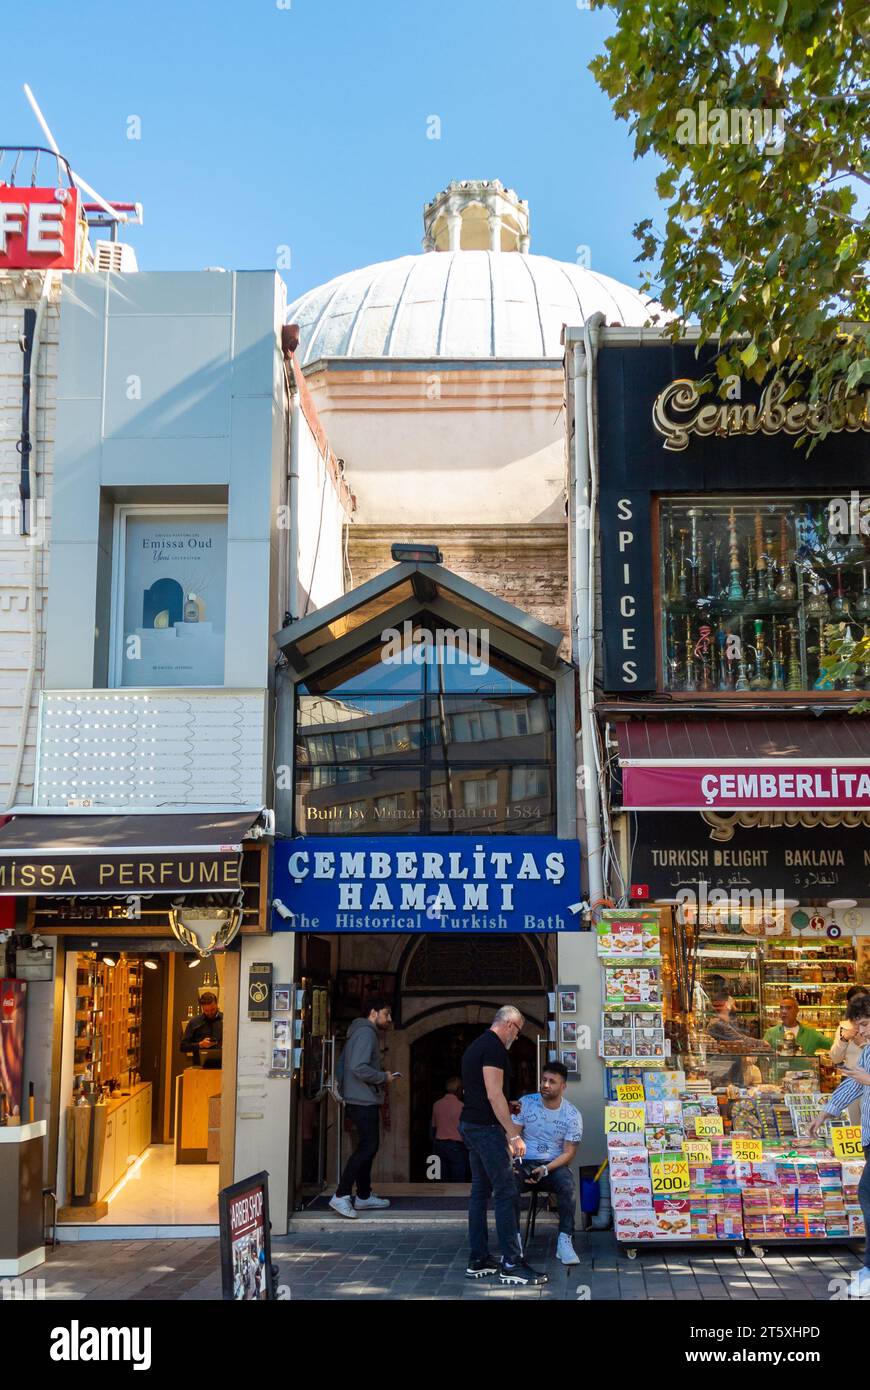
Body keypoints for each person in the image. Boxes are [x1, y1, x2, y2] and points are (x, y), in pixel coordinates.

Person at [460, 1005, 548, 1287]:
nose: (517, 1037)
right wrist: (512, 1133)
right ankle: (511, 1263)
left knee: (480, 1192)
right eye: (519, 1031)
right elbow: (493, 1092)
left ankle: (479, 1259)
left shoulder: (476, 1046)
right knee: (507, 1192)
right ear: (509, 1025)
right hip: (485, 1130)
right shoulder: (495, 1048)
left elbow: (478, 1092)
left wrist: (506, 1107)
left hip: (471, 1124)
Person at [808, 993, 870, 1298]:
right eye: (859, 1026)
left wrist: (866, 1079)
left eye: (865, 1024)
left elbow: (862, 1080)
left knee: (867, 1195)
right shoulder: (868, 1050)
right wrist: (824, 1114)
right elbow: (854, 1084)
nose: (861, 1031)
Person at [329, 997, 397, 1219]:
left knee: (367, 1147)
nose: (389, 1019)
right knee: (368, 1147)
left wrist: (347, 1088)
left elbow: (342, 1065)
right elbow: (358, 1066)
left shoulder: (356, 1032)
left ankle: (364, 1196)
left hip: (358, 1097)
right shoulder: (367, 1033)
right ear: (373, 1012)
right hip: (363, 1100)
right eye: (386, 1014)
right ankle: (341, 1195)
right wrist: (382, 1077)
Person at [512, 1061, 583, 1265]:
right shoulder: (525, 1103)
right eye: (544, 1080)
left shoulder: (572, 1115)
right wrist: (516, 1163)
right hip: (524, 1161)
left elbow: (569, 1153)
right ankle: (513, 1240)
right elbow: (512, 1138)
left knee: (567, 1185)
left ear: (563, 1086)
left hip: (553, 1164)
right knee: (508, 1184)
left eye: (552, 1081)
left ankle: (565, 1241)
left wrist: (544, 1169)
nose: (545, 1084)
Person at [830, 987, 870, 1127]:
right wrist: (844, 1039)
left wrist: (863, 1044)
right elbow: (835, 1058)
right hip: (850, 1082)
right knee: (853, 1127)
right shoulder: (843, 1027)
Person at [764, 996, 833, 1056]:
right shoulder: (771, 1033)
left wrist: (843, 1037)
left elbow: (833, 1045)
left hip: (805, 1071)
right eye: (781, 1008)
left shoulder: (811, 1033)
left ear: (797, 1010)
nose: (784, 1011)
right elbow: (762, 1054)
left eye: (788, 1008)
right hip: (779, 1071)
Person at [431, 1077, 469, 1182]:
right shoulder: (462, 1106)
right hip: (456, 1147)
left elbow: (433, 1127)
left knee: (442, 1179)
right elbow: (464, 1129)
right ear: (458, 1089)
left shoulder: (436, 1104)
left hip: (439, 1145)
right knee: (458, 1180)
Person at [180, 992, 223, 1065]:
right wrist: (200, 1045)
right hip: (200, 1068)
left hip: (223, 1068)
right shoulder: (194, 1022)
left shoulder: (227, 1020)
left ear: (217, 1004)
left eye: (212, 1009)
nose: (209, 1013)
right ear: (202, 1008)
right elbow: (183, 1047)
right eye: (206, 1010)